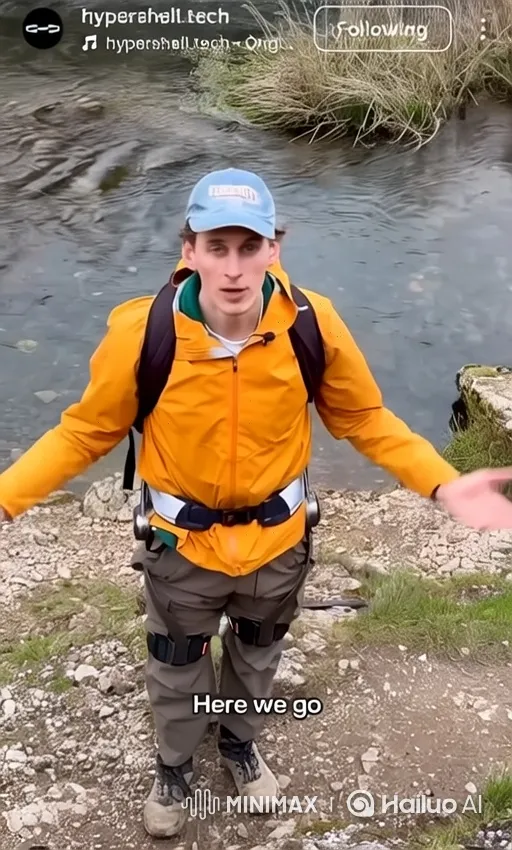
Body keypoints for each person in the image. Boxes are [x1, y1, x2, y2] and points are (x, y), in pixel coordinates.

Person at [1, 167, 512, 839]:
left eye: (250, 246)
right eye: (218, 247)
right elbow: (85, 431)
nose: (235, 268)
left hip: (278, 546)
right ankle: (175, 764)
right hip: (180, 549)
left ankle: (239, 744)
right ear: (190, 252)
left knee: (257, 653)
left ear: (277, 246)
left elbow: (364, 419)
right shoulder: (142, 334)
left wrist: (443, 483)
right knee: (176, 659)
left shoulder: (311, 325)